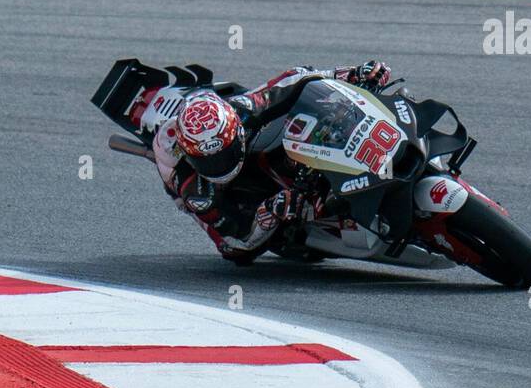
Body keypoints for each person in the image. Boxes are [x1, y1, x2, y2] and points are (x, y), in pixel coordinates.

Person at [152, 61, 392, 264]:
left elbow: (295, 79)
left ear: (236, 133)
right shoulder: (195, 189)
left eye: (223, 155)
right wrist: (269, 210)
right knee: (235, 252)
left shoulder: (242, 111)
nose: (219, 165)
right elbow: (237, 240)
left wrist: (351, 74)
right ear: (190, 155)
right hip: (227, 208)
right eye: (210, 161)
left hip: (230, 126)